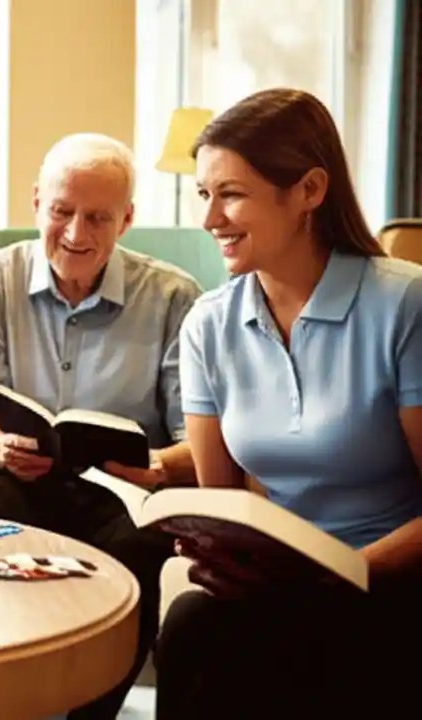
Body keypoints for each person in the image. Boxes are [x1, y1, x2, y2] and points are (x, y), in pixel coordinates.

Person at [156, 88, 422, 719]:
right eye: (203, 194)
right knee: (194, 626)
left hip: (390, 580)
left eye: (231, 193)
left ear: (309, 190)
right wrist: (213, 553)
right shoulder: (208, 325)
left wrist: (339, 572)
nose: (210, 218)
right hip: (282, 581)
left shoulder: (404, 306)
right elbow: (220, 506)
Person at [0, 133, 202, 718]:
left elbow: (196, 440)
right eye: (61, 211)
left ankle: (92, 712)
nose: (76, 233)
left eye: (98, 218)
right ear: (37, 203)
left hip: (125, 494)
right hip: (22, 479)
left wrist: (156, 466)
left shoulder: (175, 297)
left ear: (126, 219)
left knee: (143, 543)